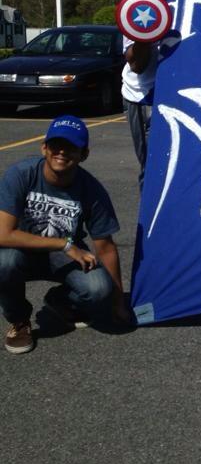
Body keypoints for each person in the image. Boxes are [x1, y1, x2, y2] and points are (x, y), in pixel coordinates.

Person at [1, 116, 127, 354]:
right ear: (44, 148)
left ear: (84, 154)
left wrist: (117, 301)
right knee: (3, 262)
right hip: (23, 249)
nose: (61, 151)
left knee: (99, 289)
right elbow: (3, 234)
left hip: (63, 256)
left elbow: (106, 246)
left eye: (70, 147)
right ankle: (19, 321)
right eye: (56, 145)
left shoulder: (92, 189)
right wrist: (64, 244)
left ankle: (59, 300)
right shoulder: (21, 175)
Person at [122, 0, 177, 190]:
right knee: (152, 168)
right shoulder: (133, 5)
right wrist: (144, 35)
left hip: (176, 92)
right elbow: (136, 65)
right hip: (143, 96)